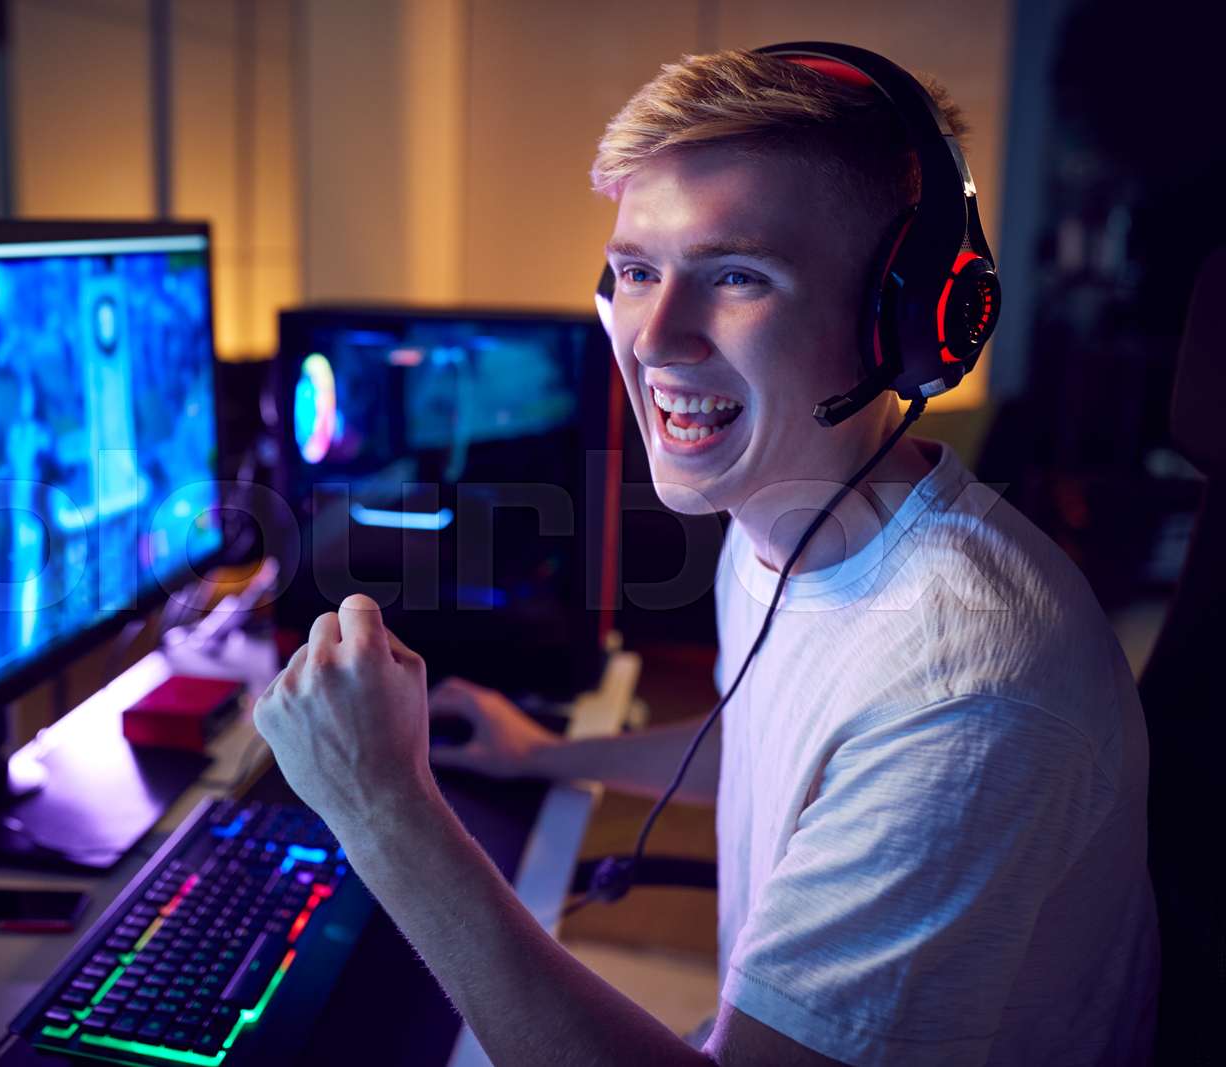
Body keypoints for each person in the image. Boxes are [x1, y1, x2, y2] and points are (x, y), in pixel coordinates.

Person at [252, 49, 1159, 1066]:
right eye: (636, 272)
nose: (651, 339)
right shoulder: (788, 517)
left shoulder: (966, 689)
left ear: (905, 321)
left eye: (736, 275)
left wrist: (382, 811)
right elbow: (788, 752)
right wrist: (542, 755)